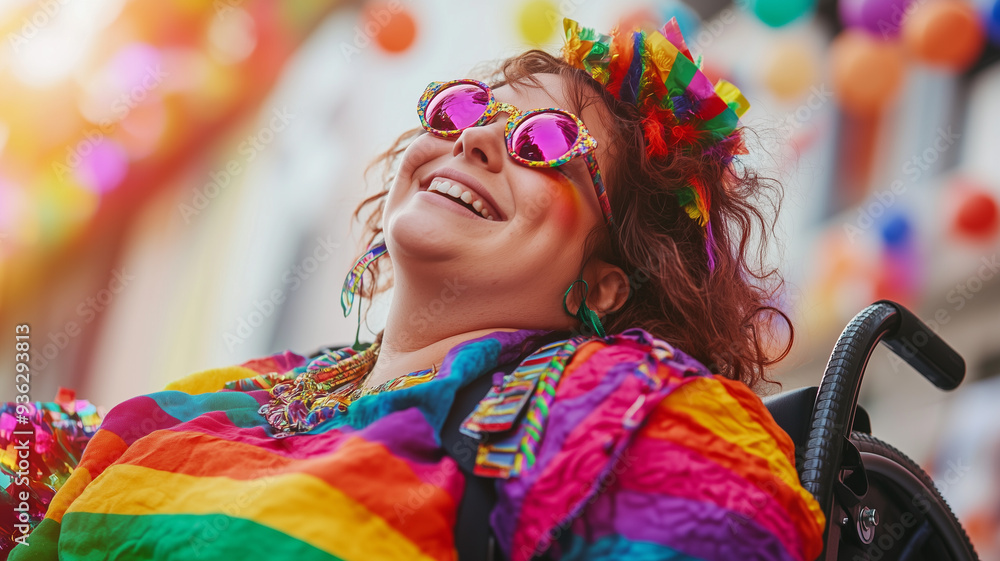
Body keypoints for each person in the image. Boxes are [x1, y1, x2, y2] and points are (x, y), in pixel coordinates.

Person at [11, 17, 826, 561]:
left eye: (546, 142)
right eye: (466, 108)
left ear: (606, 281)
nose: (473, 138)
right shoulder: (221, 396)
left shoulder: (637, 411)